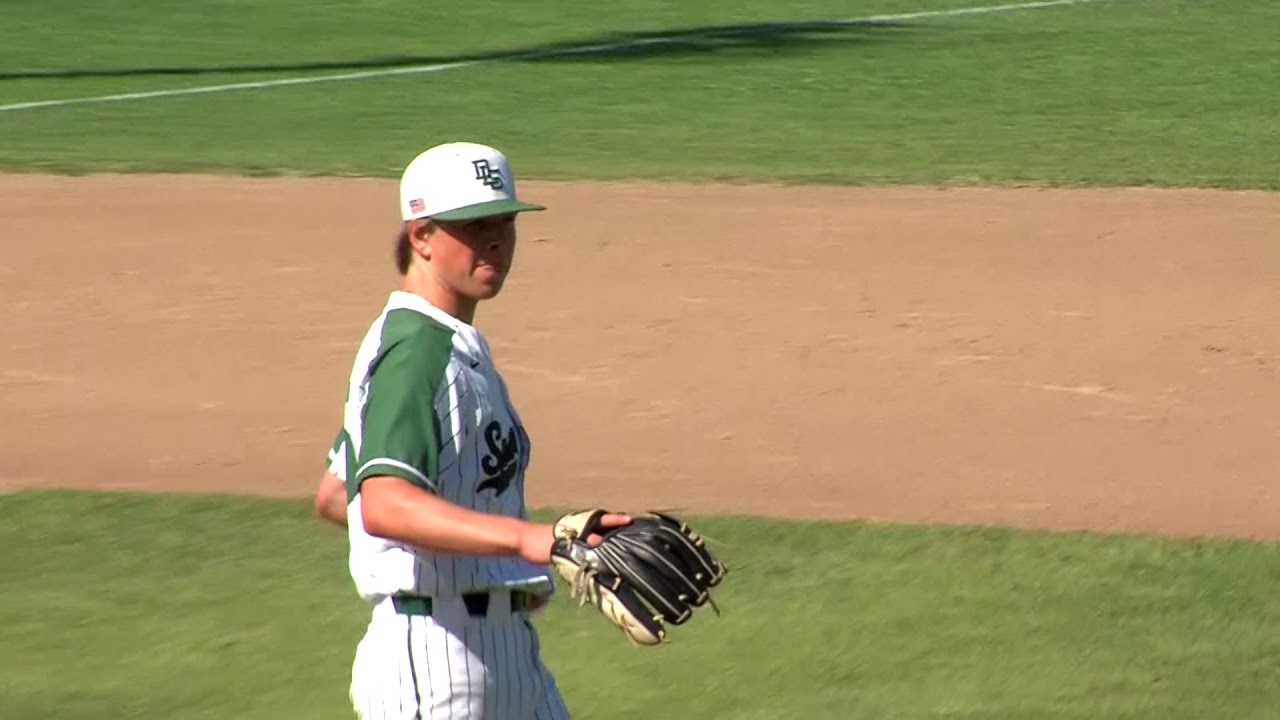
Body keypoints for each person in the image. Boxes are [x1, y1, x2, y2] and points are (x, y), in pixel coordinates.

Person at [321, 141, 630, 719]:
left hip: (503, 650)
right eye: (473, 225)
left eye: (504, 222)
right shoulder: (416, 352)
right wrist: (524, 541)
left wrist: (494, 565)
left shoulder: (450, 344)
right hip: (436, 662)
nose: (495, 241)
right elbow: (382, 504)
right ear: (422, 236)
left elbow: (338, 494)